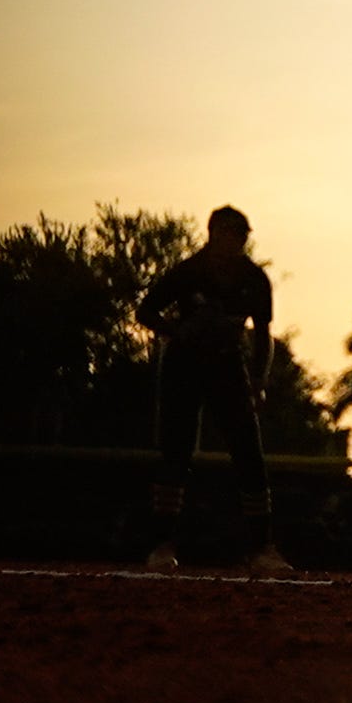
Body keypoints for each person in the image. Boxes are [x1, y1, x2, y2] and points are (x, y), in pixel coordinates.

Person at [139, 206, 292, 576]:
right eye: (228, 233)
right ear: (212, 234)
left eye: (241, 235)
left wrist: (258, 381)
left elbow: (262, 334)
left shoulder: (254, 279)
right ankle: (161, 546)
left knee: (249, 455)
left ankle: (262, 549)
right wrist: (179, 331)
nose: (235, 241)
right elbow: (145, 311)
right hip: (183, 366)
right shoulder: (188, 272)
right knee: (175, 453)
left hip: (227, 366)